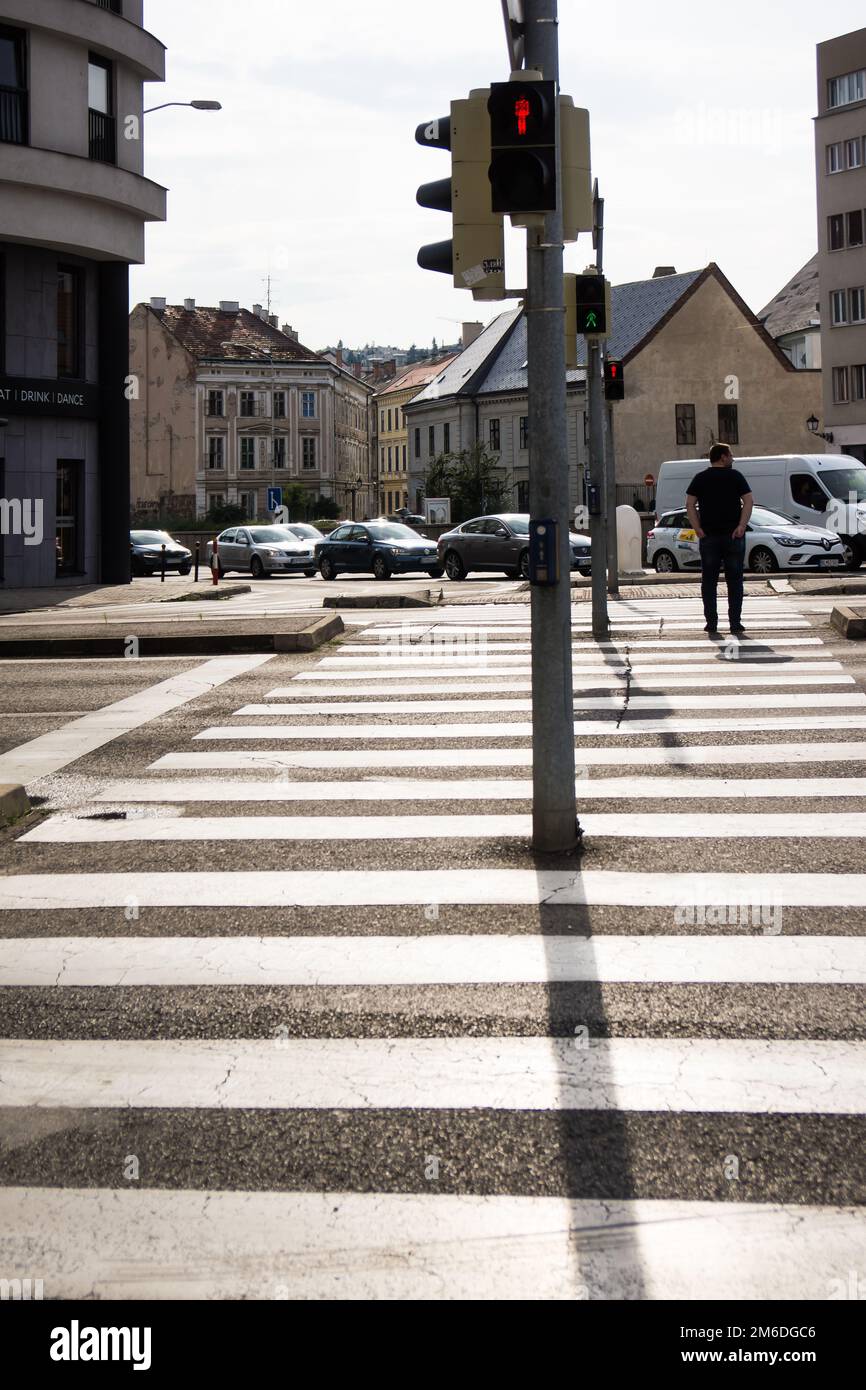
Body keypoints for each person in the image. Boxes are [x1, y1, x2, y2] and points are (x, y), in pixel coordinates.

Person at [686, 445, 754, 636]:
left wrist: (698, 528)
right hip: (734, 535)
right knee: (735, 581)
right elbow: (749, 501)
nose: (732, 458)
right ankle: (735, 623)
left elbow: (689, 504)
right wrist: (741, 525)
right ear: (723, 457)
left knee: (709, 581)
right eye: (730, 455)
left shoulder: (700, 478)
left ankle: (711, 623)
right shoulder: (736, 477)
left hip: (709, 536)